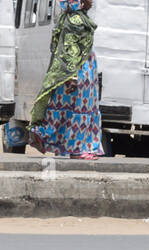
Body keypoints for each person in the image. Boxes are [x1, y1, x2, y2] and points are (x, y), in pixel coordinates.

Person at [28, 0, 103, 160]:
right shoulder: (75, 20)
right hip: (78, 72)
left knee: (68, 110)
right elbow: (70, 49)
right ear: (82, 3)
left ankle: (48, 137)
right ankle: (77, 149)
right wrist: (73, 78)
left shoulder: (70, 17)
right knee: (79, 111)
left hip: (79, 70)